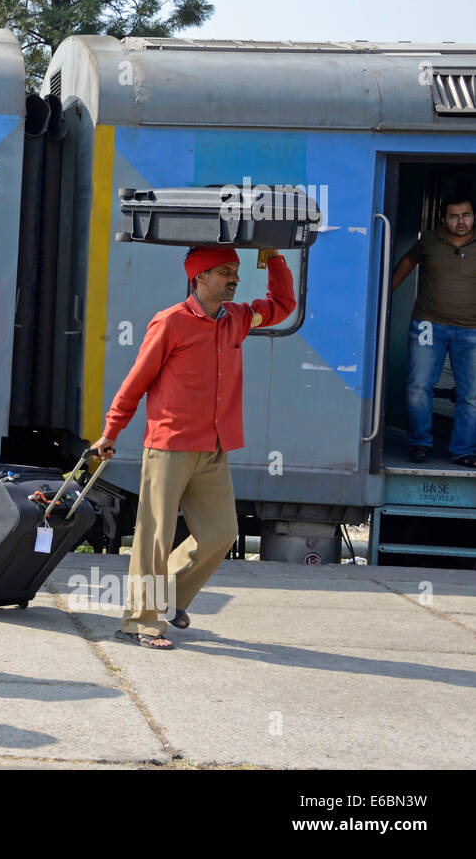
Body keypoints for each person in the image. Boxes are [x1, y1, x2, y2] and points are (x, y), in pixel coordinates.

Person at [92, 246, 294, 650]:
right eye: (224, 272)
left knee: (221, 533)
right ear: (199, 277)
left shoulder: (237, 319)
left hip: (214, 447)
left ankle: (168, 599)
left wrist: (273, 257)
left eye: (235, 272)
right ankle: (140, 622)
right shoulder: (170, 322)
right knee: (155, 537)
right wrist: (111, 430)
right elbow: (137, 381)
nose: (233, 279)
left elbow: (282, 305)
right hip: (169, 446)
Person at [390, 192, 476, 467]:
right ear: (444, 219)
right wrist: (385, 294)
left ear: (474, 216)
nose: (460, 221)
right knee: (418, 387)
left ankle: (464, 450)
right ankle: (420, 444)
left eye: (466, 215)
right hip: (428, 325)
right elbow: (407, 261)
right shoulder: (429, 240)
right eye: (454, 216)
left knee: (472, 395)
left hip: (473, 330)